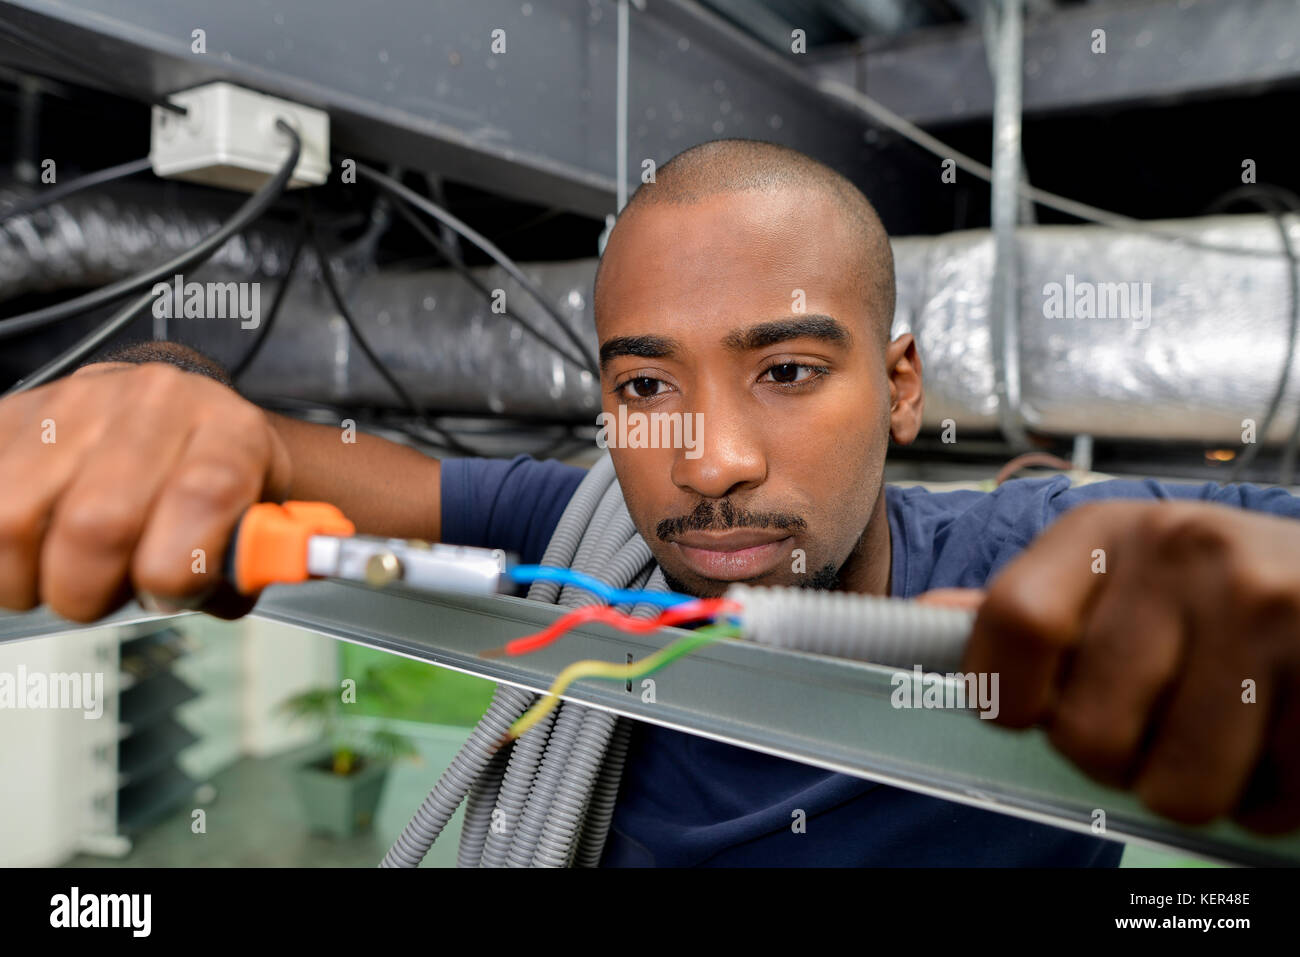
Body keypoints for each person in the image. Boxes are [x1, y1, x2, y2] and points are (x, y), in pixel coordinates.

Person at [2, 139, 1298, 866]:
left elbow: (1205, 572)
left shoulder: (1035, 557)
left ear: (901, 387)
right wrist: (159, 397)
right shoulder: (564, 536)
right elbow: (255, 457)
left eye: (786, 370)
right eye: (646, 385)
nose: (710, 456)